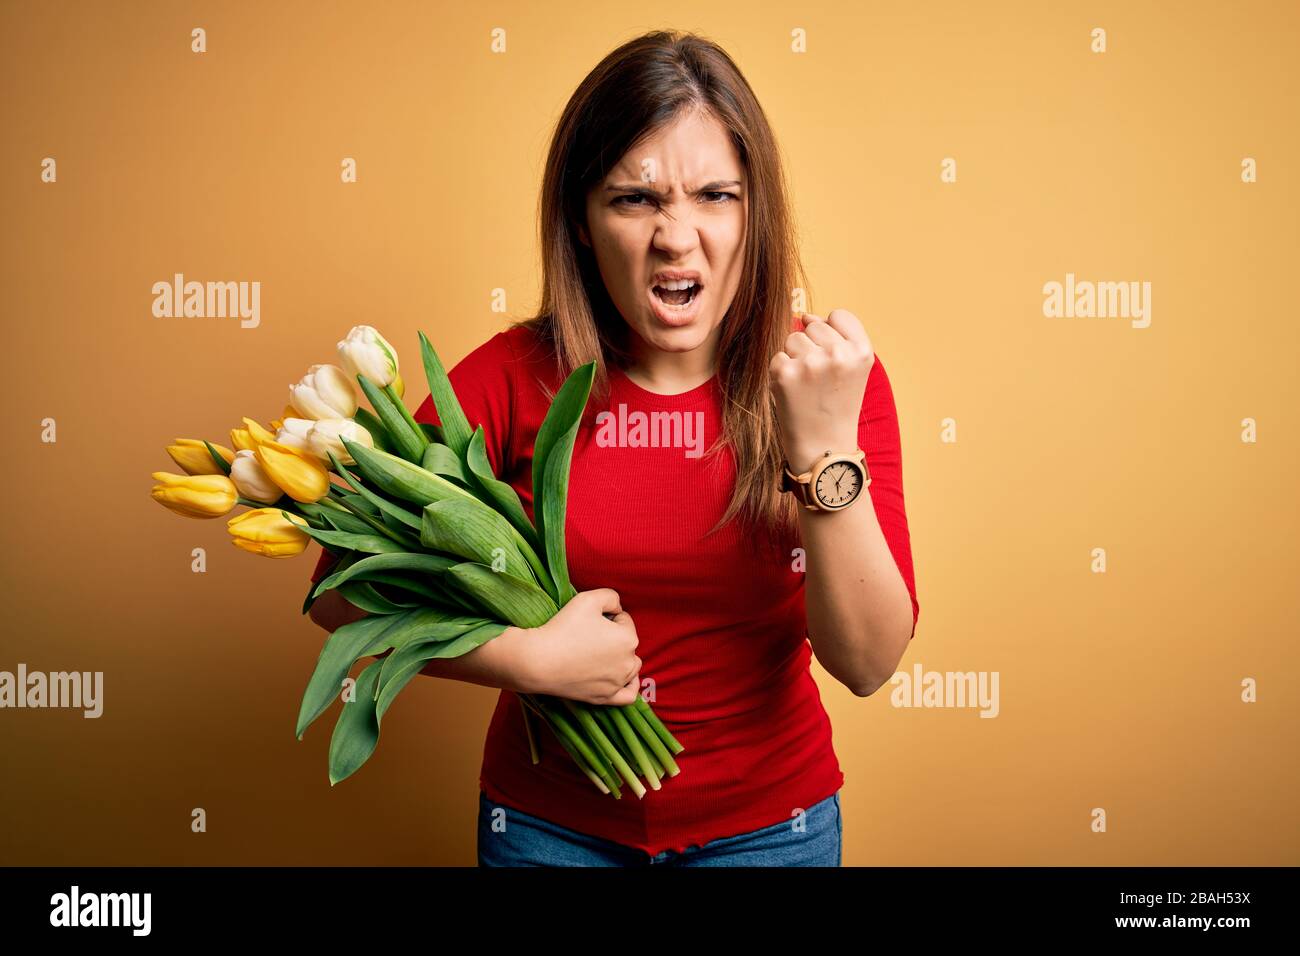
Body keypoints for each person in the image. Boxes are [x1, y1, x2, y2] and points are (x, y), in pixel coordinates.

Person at [309, 29, 919, 867]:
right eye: (635, 200)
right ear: (584, 224)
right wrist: (527, 657)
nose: (677, 236)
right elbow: (338, 593)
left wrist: (818, 452)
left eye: (715, 195)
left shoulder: (825, 379)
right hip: (547, 834)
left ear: (756, 214)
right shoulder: (510, 378)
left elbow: (869, 662)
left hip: (774, 833)